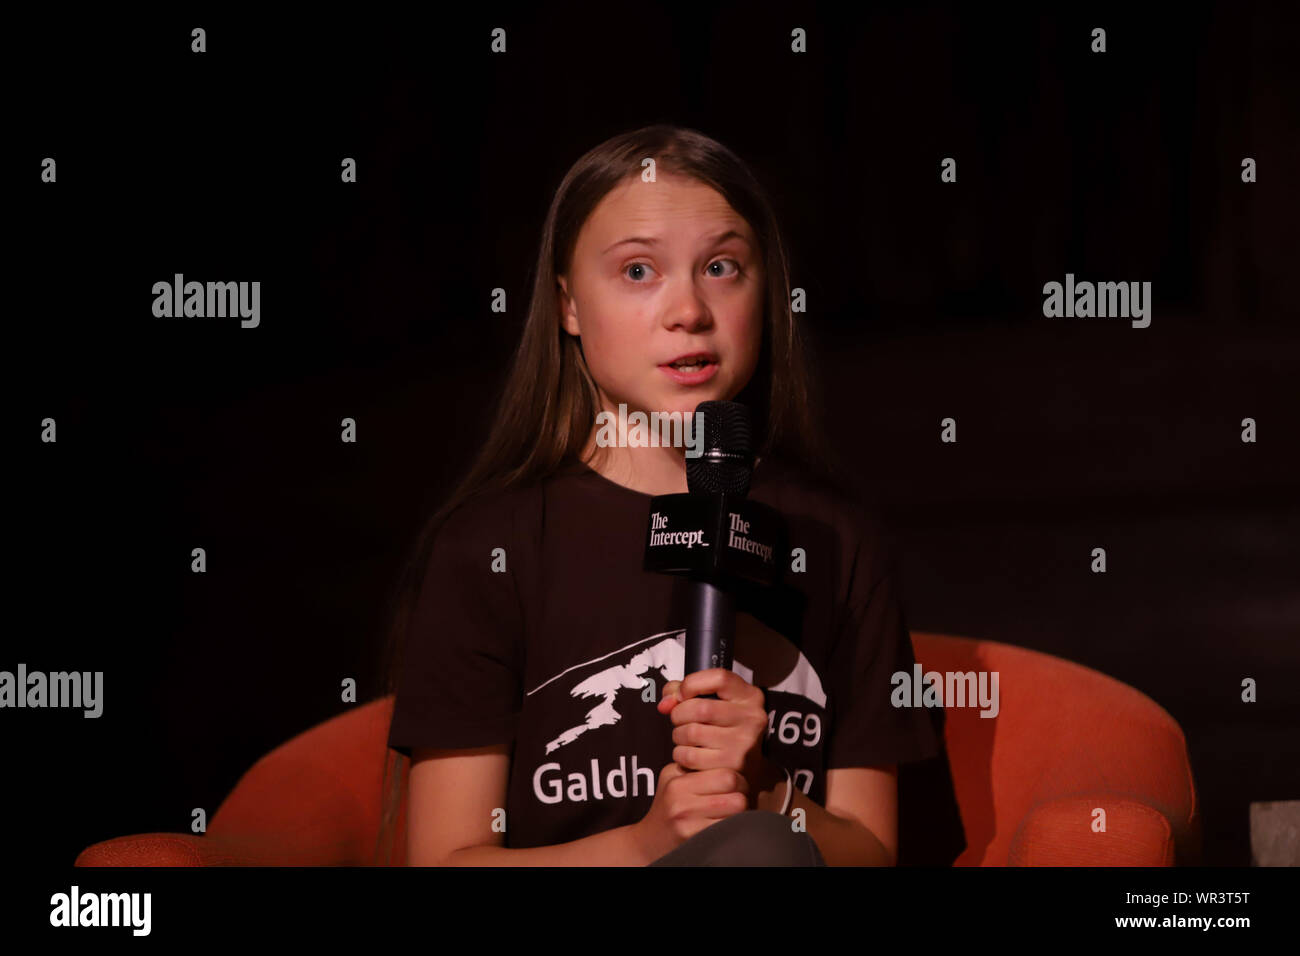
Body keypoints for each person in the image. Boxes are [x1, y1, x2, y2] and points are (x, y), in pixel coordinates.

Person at [375, 124, 966, 867]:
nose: (689, 310)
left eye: (721, 266)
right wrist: (645, 844)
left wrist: (763, 793)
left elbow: (872, 851)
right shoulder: (488, 547)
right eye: (637, 272)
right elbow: (443, 861)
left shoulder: (836, 539)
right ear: (568, 306)